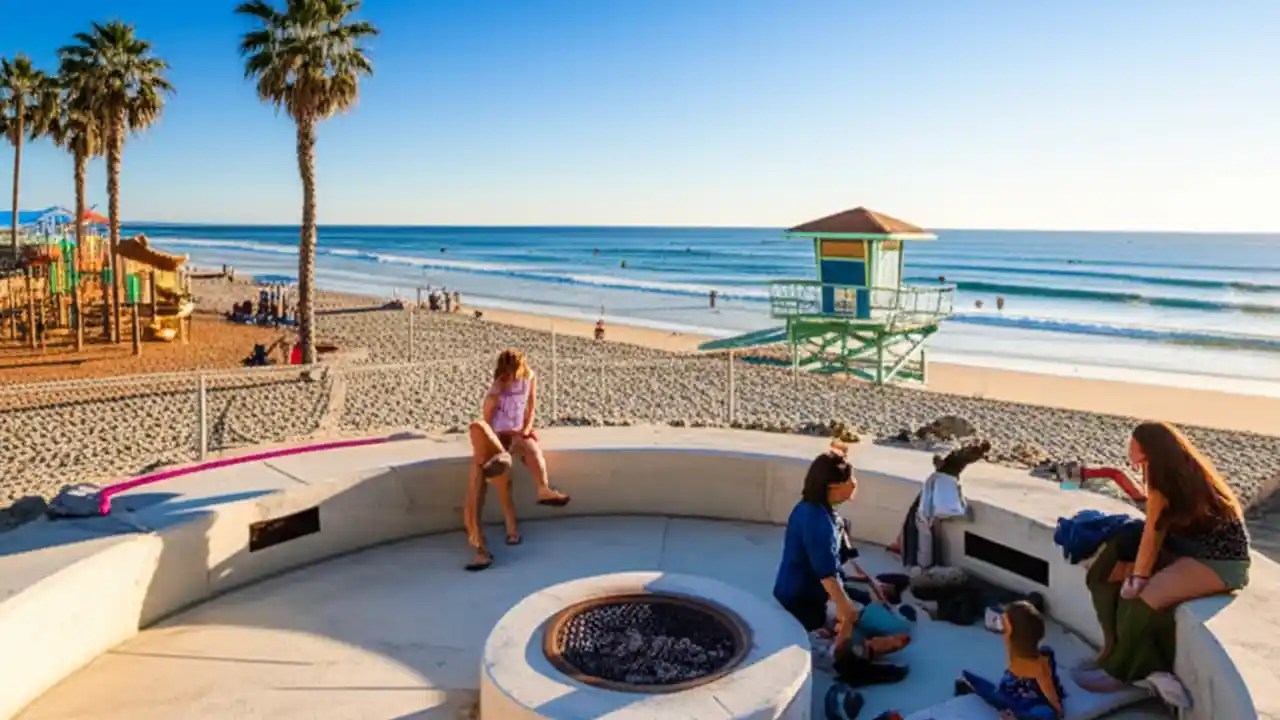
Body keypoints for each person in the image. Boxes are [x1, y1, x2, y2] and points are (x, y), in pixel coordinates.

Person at [1076, 422, 1250, 693]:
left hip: (1218, 562)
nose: (1129, 450)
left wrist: (1139, 577)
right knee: (1106, 576)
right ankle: (1115, 653)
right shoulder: (1176, 470)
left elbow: (1153, 532)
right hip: (1186, 550)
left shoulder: (1165, 479)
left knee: (1144, 598)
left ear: (1150, 451)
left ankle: (1121, 673)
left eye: (1134, 446)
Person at [773, 447, 909, 687]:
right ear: (832, 486)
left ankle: (865, 639)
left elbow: (843, 558)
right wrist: (846, 610)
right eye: (849, 479)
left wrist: (873, 586)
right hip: (801, 601)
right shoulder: (816, 522)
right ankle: (863, 656)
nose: (854, 483)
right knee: (836, 656)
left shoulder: (826, 514)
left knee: (884, 619)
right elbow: (826, 575)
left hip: (820, 593)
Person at [463, 349, 571, 571]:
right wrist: (495, 442)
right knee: (500, 484)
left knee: (532, 451)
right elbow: (486, 422)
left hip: (516, 433)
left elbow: (531, 403)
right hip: (497, 439)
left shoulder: (528, 377)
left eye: (514, 373)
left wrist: (527, 428)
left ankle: (543, 489)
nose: (511, 378)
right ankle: (488, 543)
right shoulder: (496, 390)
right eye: (507, 374)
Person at [958, 600, 1064, 720]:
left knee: (1044, 712)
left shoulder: (1037, 666)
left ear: (1013, 636)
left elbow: (1049, 692)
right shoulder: (1026, 652)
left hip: (1024, 696)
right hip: (1015, 686)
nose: (1003, 633)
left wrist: (1057, 708)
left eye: (1005, 629)